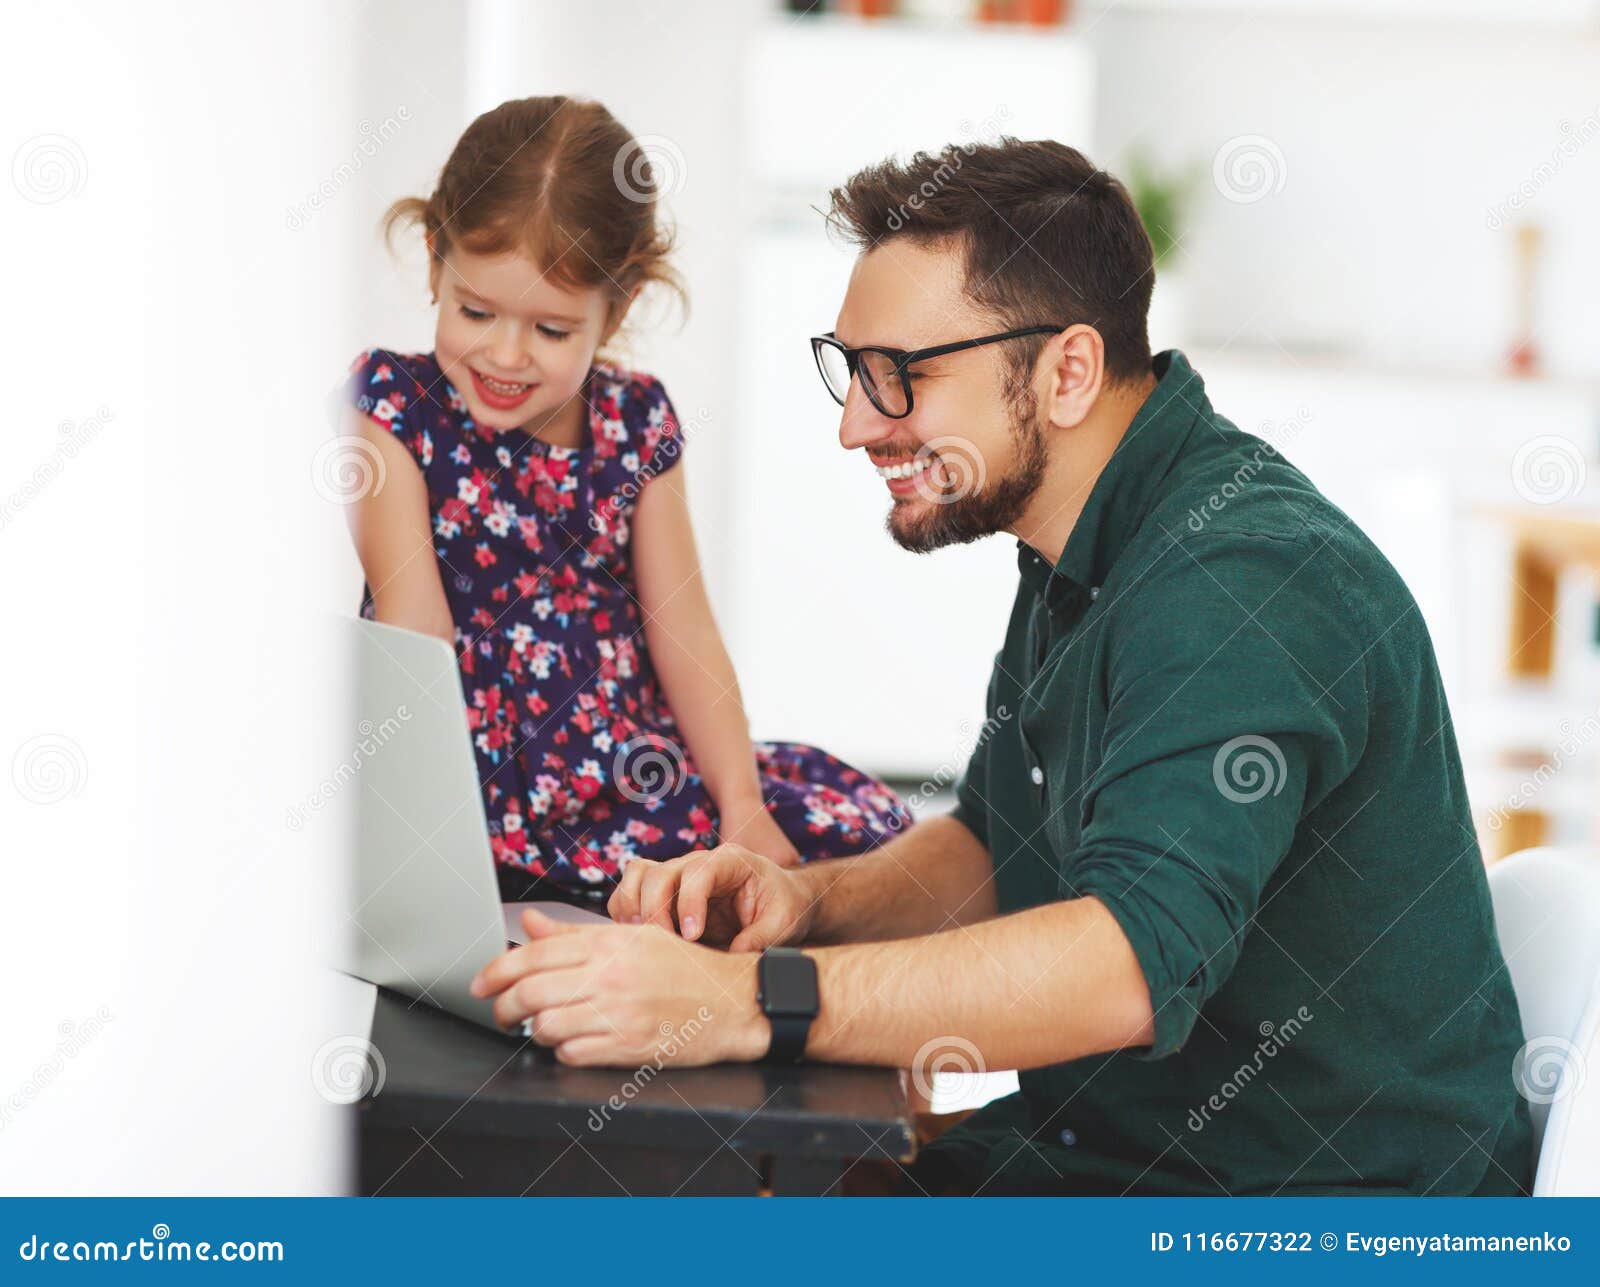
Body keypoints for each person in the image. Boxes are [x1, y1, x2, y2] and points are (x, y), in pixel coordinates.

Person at [472, 137, 1533, 1197]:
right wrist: (803, 903)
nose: (854, 425)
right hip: (1113, 1163)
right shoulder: (1082, 543)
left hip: (1313, 1210)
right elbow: (989, 848)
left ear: (1065, 370)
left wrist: (747, 1004)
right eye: (851, 372)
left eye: (900, 377)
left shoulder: (1239, 576)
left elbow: (1127, 965)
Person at [344, 96, 909, 906]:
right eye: (475, 311)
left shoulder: (635, 421)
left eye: (551, 329)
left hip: (622, 773)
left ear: (623, 305)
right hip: (466, 777)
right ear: (436, 260)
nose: (505, 353)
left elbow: (684, 630)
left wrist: (741, 805)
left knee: (858, 834)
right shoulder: (391, 407)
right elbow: (413, 634)